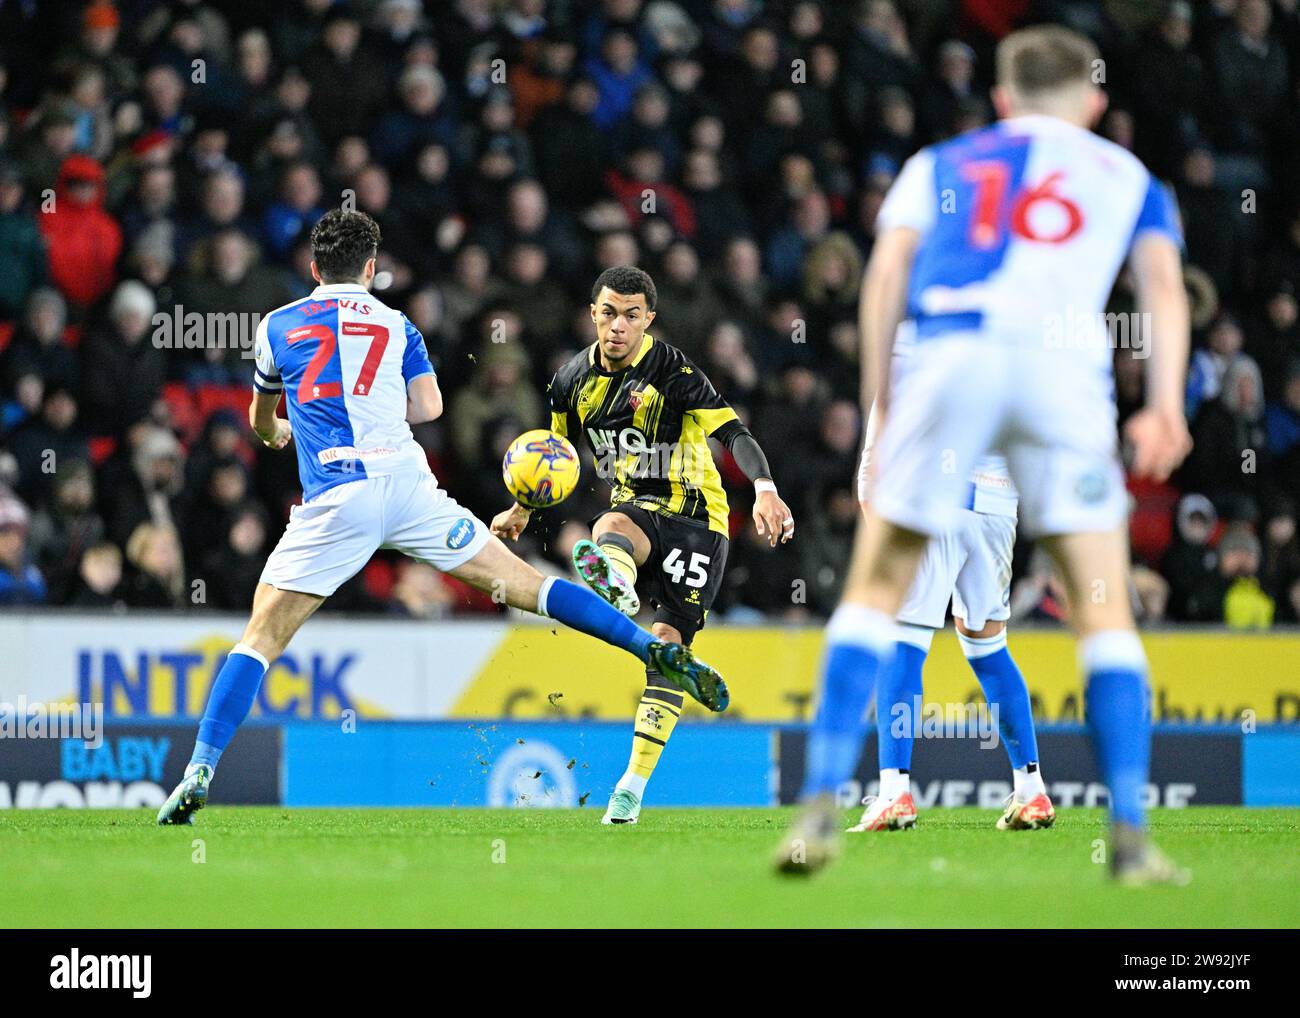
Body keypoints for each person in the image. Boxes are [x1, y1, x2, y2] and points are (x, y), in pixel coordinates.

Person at [777, 26, 1193, 884]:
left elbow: (885, 275)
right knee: (1096, 611)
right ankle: (1127, 832)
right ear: (1095, 100)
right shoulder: (1128, 177)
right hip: (1058, 379)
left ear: (1001, 99)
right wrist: (1163, 405)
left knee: (877, 599)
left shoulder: (940, 163)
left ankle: (829, 799)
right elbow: (1162, 285)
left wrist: (878, 420)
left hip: (950, 367)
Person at [158, 212, 727, 826]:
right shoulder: (397, 324)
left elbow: (261, 420)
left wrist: (279, 431)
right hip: (408, 490)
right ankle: (650, 648)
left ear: (314, 268)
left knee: (260, 639)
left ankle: (199, 770)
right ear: (371, 270)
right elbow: (428, 407)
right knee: (528, 586)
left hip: (336, 498)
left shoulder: (276, 326)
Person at [491, 265, 793, 825]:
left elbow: (735, 433)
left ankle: (630, 788)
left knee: (666, 653)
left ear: (648, 320)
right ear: (593, 315)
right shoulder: (568, 383)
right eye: (608, 313)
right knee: (610, 527)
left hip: (700, 522)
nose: (618, 327)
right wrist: (521, 509)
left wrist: (766, 489)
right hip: (637, 512)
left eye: (632, 316)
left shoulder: (673, 371)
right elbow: (552, 463)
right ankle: (618, 581)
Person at [849, 325, 1053, 833]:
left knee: (902, 636)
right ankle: (1031, 790)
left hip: (933, 492)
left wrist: (871, 489)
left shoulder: (919, 318)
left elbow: (891, 408)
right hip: (997, 501)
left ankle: (894, 790)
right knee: (987, 643)